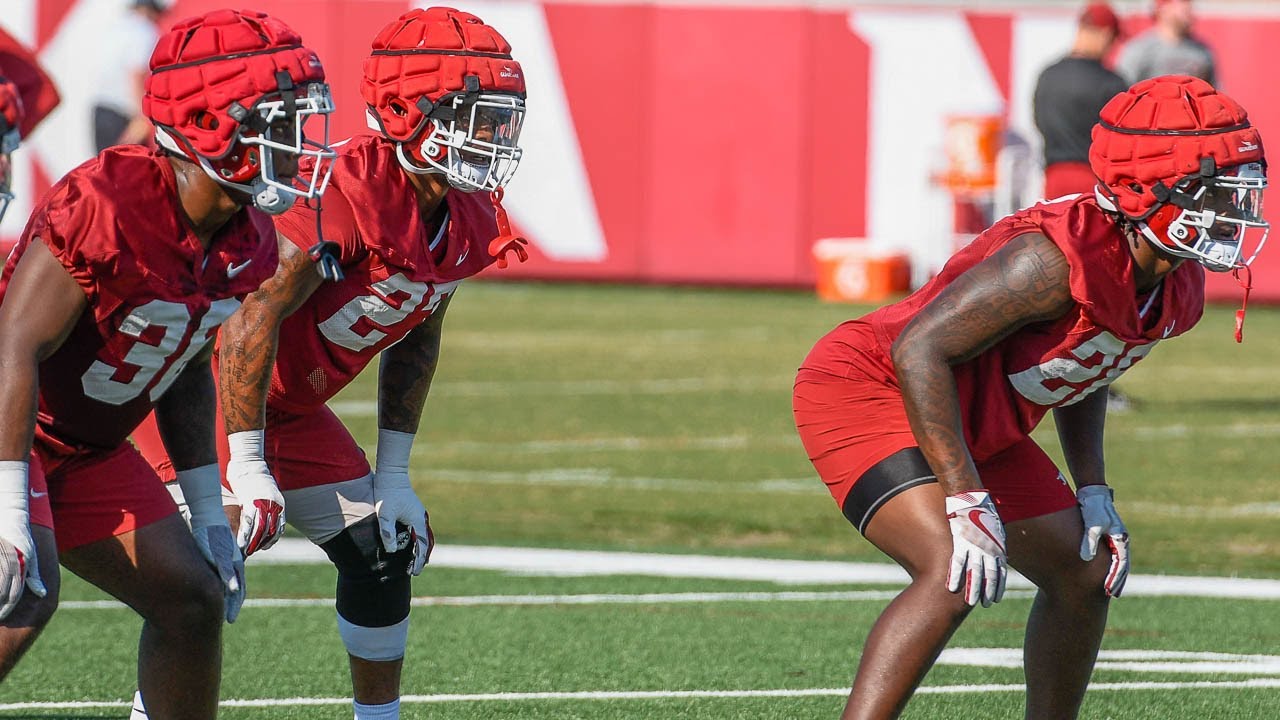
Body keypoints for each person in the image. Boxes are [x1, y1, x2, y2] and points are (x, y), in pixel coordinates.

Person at [792, 75, 1266, 720]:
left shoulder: (1171, 278)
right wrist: (966, 497)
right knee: (954, 569)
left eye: (1242, 187)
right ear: (1142, 191)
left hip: (970, 413)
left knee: (1084, 573)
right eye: (1213, 191)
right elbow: (919, 350)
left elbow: (1088, 365)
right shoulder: (1048, 261)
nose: (1235, 209)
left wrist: (1093, 488)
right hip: (874, 386)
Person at [132, 8, 528, 719]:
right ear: (409, 109)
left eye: (500, 119)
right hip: (204, 394)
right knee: (203, 573)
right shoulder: (346, 188)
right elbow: (253, 314)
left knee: (383, 548)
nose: (492, 137)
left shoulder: (468, 213)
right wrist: (246, 465)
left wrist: (396, 475)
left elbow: (419, 332)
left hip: (290, 410)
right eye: (475, 115)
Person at [0, 9, 334, 719]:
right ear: (210, 123)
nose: (296, 141)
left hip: (85, 449)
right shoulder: (110, 201)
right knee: (22, 596)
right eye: (274, 120)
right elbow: (12, 346)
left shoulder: (249, 237)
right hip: (13, 427)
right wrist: (6, 508)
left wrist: (206, 509)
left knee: (191, 598)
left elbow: (183, 365)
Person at [1033, 2, 1127, 200]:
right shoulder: (1110, 82)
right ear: (1104, 34)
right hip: (1095, 182)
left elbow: (1038, 122)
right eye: (1112, 40)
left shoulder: (1048, 75)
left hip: (1053, 179)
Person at [90, 0, 168, 152]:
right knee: (132, 170)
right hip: (123, 115)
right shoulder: (143, 30)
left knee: (105, 171)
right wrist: (142, 117)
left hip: (102, 110)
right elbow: (136, 74)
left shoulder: (115, 28)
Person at [1116, 0, 1215, 86]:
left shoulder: (1201, 51)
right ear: (1163, 9)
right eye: (1182, 2)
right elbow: (1123, 90)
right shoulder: (1140, 49)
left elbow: (1215, 94)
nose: (1188, 8)